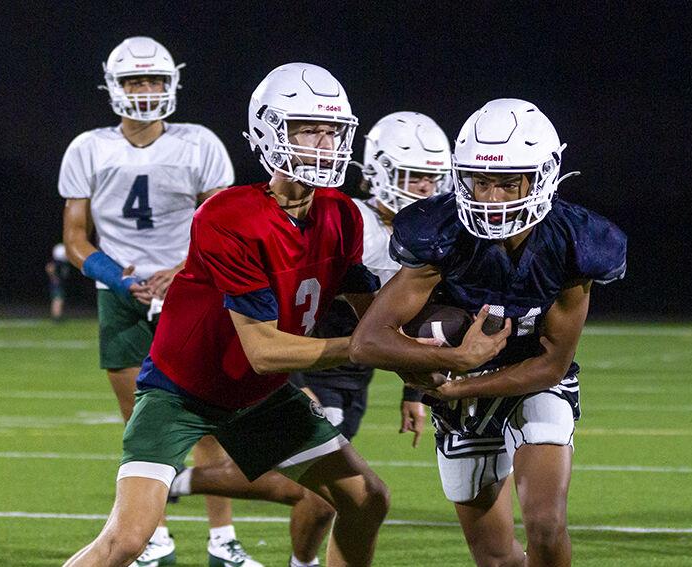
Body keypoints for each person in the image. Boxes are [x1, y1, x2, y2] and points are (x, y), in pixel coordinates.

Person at [63, 62, 391, 567]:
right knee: (127, 540)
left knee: (367, 498)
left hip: (258, 397)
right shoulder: (228, 214)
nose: (323, 145)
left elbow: (376, 317)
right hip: (181, 394)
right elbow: (265, 351)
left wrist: (439, 352)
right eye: (308, 129)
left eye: (333, 132)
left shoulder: (342, 213)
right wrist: (368, 347)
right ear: (269, 130)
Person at [350, 98, 628, 567]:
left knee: (545, 521)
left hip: (531, 378)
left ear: (542, 177)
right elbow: (367, 340)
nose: (492, 197)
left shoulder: (576, 241)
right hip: (458, 392)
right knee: (497, 558)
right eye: (480, 181)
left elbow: (552, 363)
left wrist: (460, 380)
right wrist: (444, 363)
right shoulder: (440, 232)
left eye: (507, 182)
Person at [57, 36, 258, 566]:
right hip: (120, 297)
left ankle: (223, 539)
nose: (145, 91)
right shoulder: (89, 147)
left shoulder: (198, 143)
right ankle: (154, 538)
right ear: (113, 87)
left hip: (191, 294)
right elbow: (76, 238)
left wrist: (184, 272)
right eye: (134, 81)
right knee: (138, 427)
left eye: (154, 81)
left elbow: (225, 228)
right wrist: (118, 278)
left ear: (172, 84)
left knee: (207, 419)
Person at [288, 111, 453, 445]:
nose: (426, 188)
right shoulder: (350, 221)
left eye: (433, 179)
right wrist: (294, 379)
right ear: (380, 172)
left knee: (321, 481)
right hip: (315, 359)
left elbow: (412, 323)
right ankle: (181, 481)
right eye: (414, 176)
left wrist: (413, 391)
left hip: (356, 368)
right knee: (322, 475)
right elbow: (288, 303)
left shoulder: (431, 239)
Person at [46, 243, 70, 321]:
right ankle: (56, 317)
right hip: (57, 284)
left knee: (59, 299)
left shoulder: (62, 263)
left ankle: (57, 316)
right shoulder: (57, 262)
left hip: (59, 283)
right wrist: (54, 278)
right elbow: (49, 267)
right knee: (58, 299)